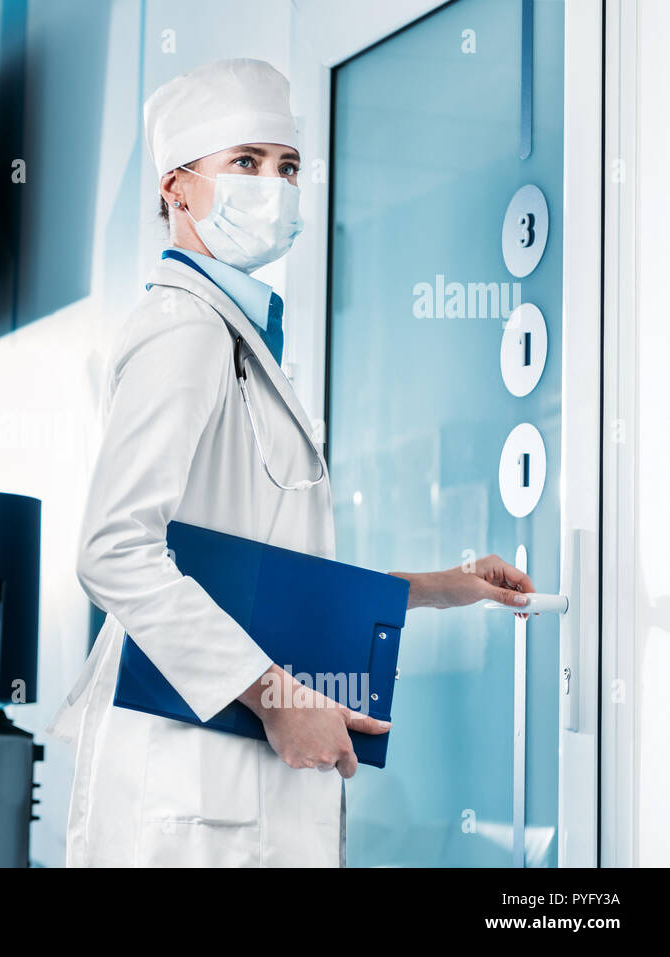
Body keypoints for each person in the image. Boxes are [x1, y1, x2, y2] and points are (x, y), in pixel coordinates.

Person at [46, 58, 535, 868]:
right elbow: (113, 551)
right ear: (177, 188)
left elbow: (273, 573)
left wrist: (448, 588)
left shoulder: (242, 341)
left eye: (289, 167)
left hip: (237, 771)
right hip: (188, 783)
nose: (273, 185)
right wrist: (275, 696)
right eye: (245, 163)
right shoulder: (186, 330)